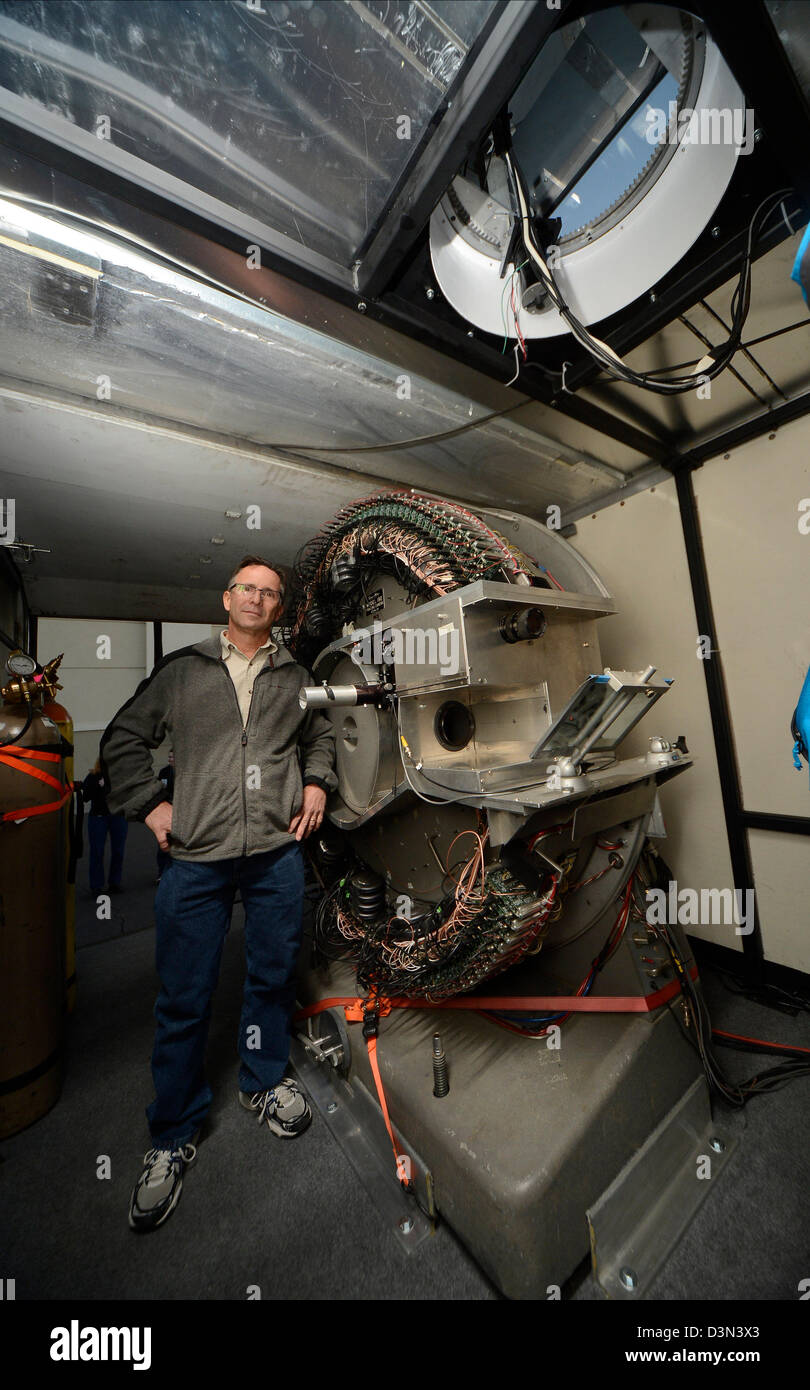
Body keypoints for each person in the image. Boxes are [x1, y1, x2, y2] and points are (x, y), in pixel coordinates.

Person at [101, 555, 337, 1233]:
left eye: (270, 592)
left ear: (279, 607)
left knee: (269, 978)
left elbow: (321, 736)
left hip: (274, 854)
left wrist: (316, 781)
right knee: (184, 996)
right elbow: (122, 739)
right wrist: (150, 806)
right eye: (247, 588)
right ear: (227, 596)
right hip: (196, 859)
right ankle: (172, 1134)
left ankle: (262, 1082)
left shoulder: (297, 677)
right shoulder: (182, 670)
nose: (257, 598)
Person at [81, 756, 128, 896]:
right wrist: (97, 786)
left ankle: (115, 883)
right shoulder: (92, 776)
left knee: (118, 850)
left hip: (118, 816)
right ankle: (96, 886)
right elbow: (85, 797)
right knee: (97, 851)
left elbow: (125, 794)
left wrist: (107, 787)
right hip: (98, 817)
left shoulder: (120, 777)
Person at [155, 751, 174, 883]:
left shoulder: (184, 771)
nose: (170, 759)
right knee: (163, 845)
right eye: (169, 757)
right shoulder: (164, 772)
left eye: (173, 757)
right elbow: (159, 789)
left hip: (180, 810)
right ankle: (162, 873)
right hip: (166, 810)